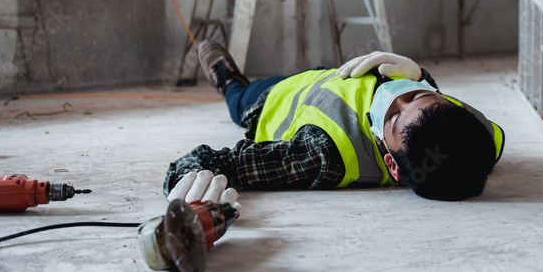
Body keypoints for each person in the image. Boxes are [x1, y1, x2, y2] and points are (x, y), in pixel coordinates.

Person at [163, 42, 504, 201]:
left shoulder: (323, 156)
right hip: (333, 74)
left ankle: (225, 75)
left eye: (394, 117)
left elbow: (231, 163)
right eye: (418, 95)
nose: (397, 95)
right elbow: (485, 141)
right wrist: (420, 76)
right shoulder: (475, 132)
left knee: (239, 101)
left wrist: (188, 175)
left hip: (279, 98)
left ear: (392, 165)